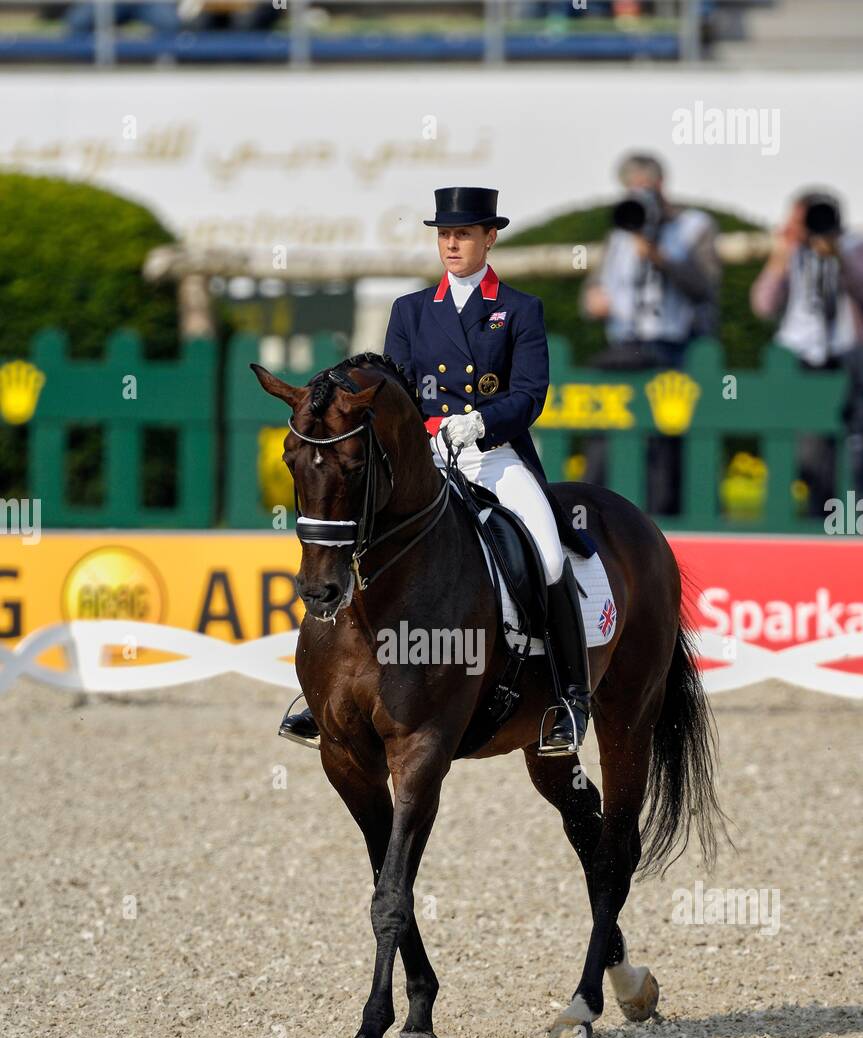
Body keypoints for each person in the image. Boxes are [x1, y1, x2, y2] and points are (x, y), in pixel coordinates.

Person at [280, 186, 590, 756]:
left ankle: (569, 697)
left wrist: (478, 423)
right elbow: (392, 390)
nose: (452, 244)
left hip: (494, 457)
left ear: (488, 237)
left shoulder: (519, 309)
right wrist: (425, 431)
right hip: (427, 460)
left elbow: (530, 394)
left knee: (547, 554)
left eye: (464, 234)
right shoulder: (411, 310)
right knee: (360, 538)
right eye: (445, 235)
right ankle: (323, 691)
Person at [582, 152, 720, 513]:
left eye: (646, 186)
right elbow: (594, 288)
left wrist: (660, 258)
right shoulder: (620, 232)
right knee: (604, 432)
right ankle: (596, 513)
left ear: (661, 185)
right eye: (632, 187)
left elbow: (705, 287)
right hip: (623, 346)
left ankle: (662, 516)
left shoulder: (692, 227)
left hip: (671, 347)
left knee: (663, 441)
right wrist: (593, 298)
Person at [750, 189, 863, 515]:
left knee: (850, 444)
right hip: (799, 358)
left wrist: (838, 256)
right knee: (807, 448)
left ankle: (848, 516)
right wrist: (783, 254)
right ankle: (819, 512)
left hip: (848, 358)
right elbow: (764, 304)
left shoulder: (853, 248)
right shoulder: (793, 254)